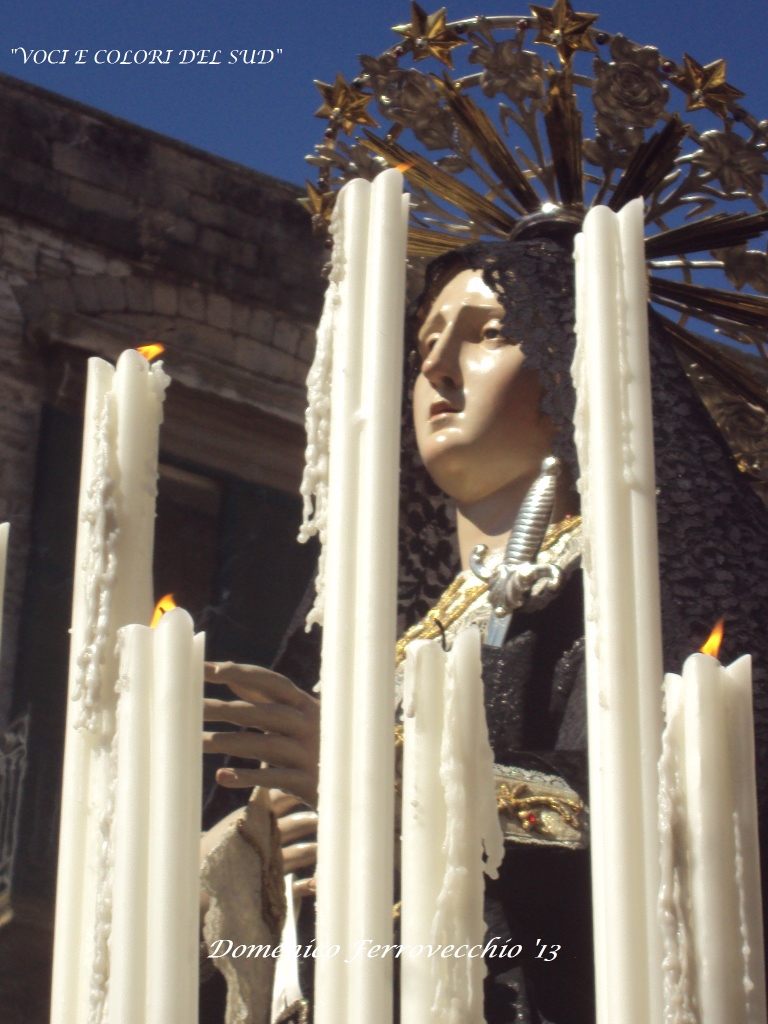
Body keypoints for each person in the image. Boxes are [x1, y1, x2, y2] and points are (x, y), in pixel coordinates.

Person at [199, 229, 768, 1024]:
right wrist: (266, 843)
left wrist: (383, 786)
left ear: (575, 366)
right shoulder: (394, 638)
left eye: (490, 333)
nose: (434, 368)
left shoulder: (640, 588)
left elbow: (677, 804)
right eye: (427, 342)